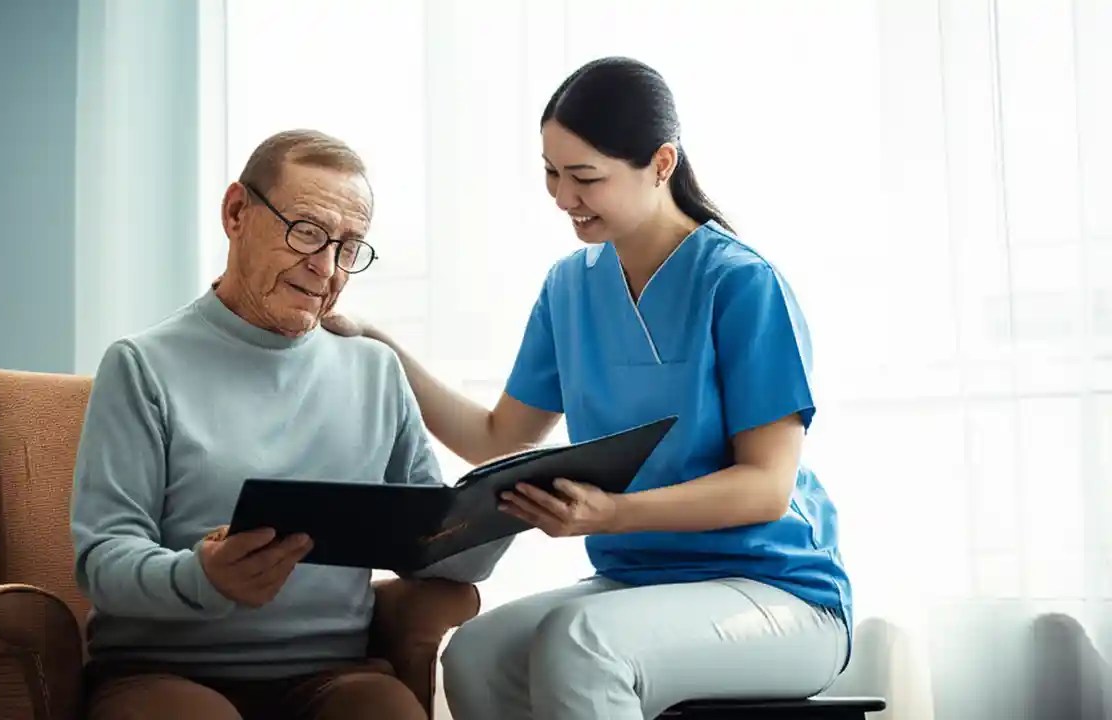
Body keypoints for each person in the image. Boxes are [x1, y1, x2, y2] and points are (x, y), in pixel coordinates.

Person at [323, 57, 853, 719]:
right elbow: (497, 436)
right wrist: (379, 344)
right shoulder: (570, 288)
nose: (563, 197)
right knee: (475, 653)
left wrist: (611, 515)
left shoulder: (741, 284)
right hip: (640, 583)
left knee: (582, 643)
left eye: (585, 178)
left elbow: (767, 488)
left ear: (661, 164)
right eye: (550, 171)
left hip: (780, 594)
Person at [70, 129, 511, 720]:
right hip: (163, 672)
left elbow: (424, 546)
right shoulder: (142, 365)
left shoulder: (376, 373)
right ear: (236, 213)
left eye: (348, 246)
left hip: (333, 673)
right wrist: (202, 576)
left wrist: (503, 514)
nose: (325, 267)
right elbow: (103, 560)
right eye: (306, 231)